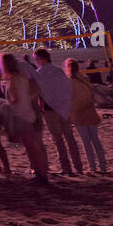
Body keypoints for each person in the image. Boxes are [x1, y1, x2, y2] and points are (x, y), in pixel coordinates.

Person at [30, 49, 83, 177]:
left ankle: (66, 168)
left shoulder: (39, 73)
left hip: (50, 110)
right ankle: (78, 167)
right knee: (70, 138)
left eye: (36, 59)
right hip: (64, 108)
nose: (35, 62)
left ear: (42, 59)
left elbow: (36, 91)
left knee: (58, 139)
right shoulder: (59, 71)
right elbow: (67, 88)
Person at [0, 53, 49, 185]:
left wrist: (4, 104)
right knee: (32, 146)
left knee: (31, 146)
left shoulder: (13, 78)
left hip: (21, 113)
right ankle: (40, 173)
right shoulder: (21, 77)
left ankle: (41, 175)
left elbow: (15, 99)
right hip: (28, 112)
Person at [65, 59, 108, 174]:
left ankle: (92, 166)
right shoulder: (84, 79)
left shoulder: (69, 82)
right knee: (95, 140)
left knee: (86, 141)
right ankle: (103, 166)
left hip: (78, 113)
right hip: (90, 111)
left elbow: (70, 99)